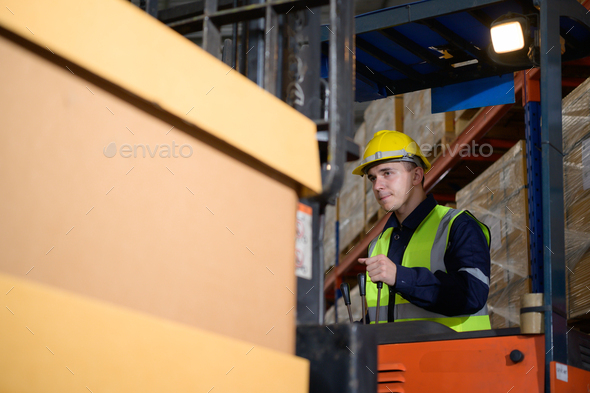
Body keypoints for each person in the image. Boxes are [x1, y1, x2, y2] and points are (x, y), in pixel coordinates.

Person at [354, 130, 491, 332]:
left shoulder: (457, 225)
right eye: (372, 178)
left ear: (416, 176)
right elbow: (385, 315)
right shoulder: (378, 244)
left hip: (455, 359)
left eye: (387, 173)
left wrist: (399, 276)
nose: (377, 186)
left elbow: (472, 295)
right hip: (400, 362)